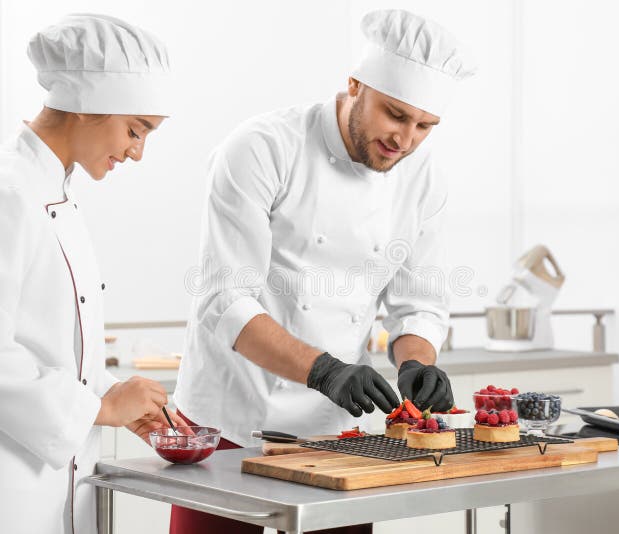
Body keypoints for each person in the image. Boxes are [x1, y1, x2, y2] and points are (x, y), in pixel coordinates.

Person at [172, 8, 475, 533]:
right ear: (355, 84)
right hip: (229, 417)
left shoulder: (423, 180)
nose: (406, 139)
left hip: (335, 431)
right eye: (396, 115)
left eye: (425, 126)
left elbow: (418, 304)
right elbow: (225, 299)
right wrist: (326, 371)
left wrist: (414, 365)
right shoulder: (263, 148)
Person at [0, 14, 184, 534]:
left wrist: (116, 398)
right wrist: (98, 407)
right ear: (90, 106)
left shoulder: (51, 192)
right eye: (136, 129)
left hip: (47, 491)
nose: (137, 152)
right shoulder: (3, 195)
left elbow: (45, 348)